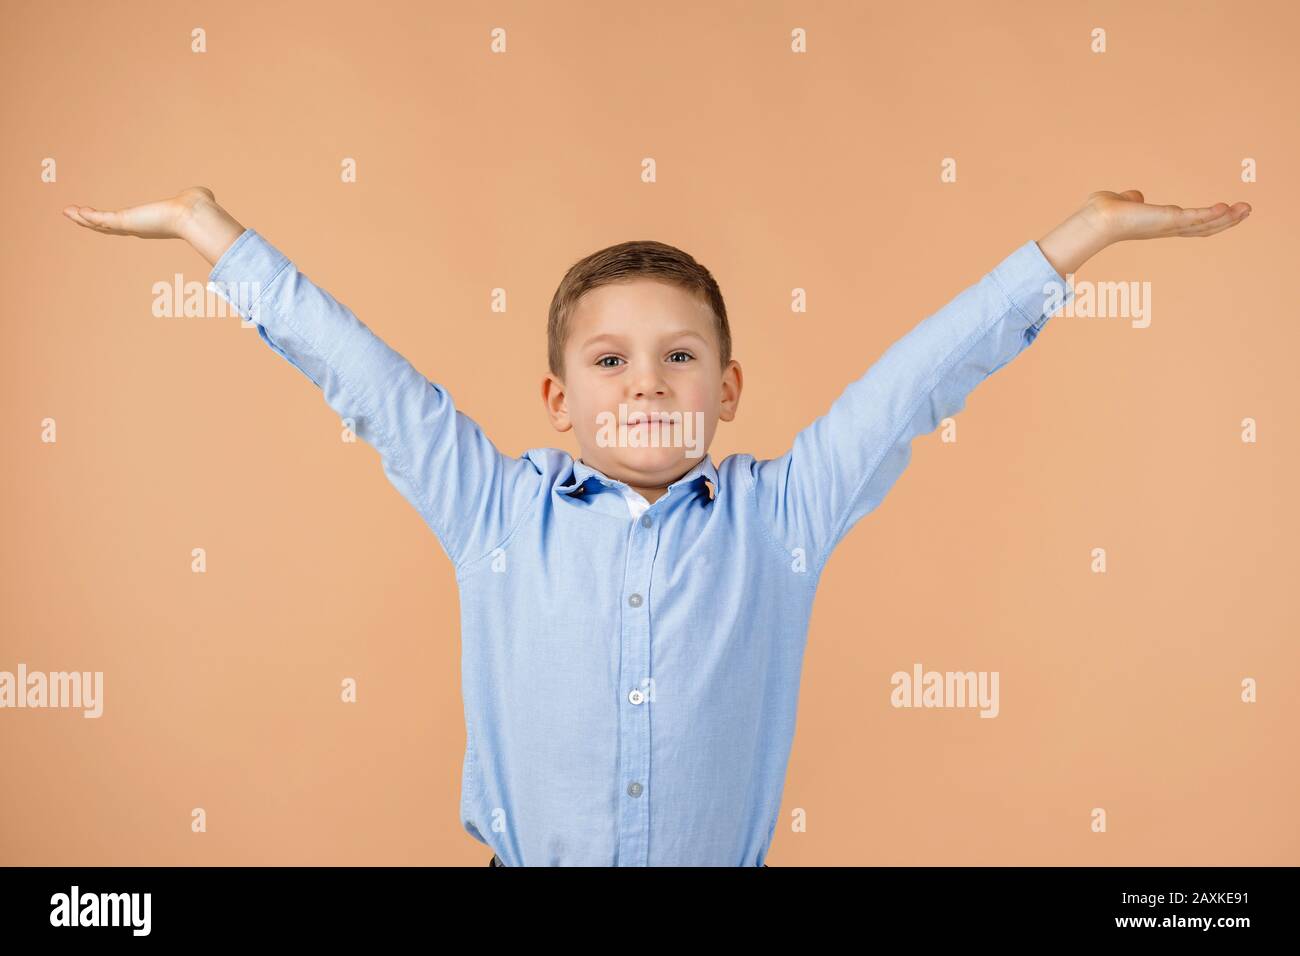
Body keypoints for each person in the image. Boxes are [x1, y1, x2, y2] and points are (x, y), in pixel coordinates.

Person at [62, 187, 1250, 866]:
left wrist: (1079, 238)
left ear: (727, 390)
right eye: (610, 359)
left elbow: (918, 378)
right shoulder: (492, 507)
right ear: (557, 398)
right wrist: (209, 232)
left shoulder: (781, 517)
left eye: (681, 357)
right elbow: (360, 374)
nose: (645, 384)